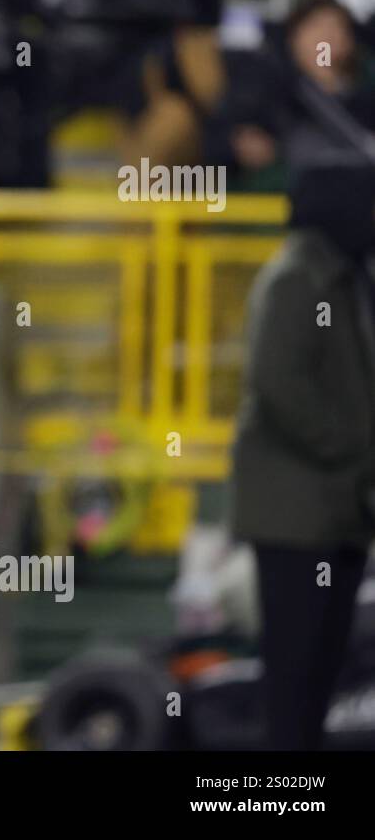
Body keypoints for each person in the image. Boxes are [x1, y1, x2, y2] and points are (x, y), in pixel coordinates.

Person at [230, 162, 375, 750]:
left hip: (336, 514)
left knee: (320, 677)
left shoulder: (343, 276)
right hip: (298, 519)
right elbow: (280, 381)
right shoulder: (297, 278)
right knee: (295, 678)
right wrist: (350, 448)